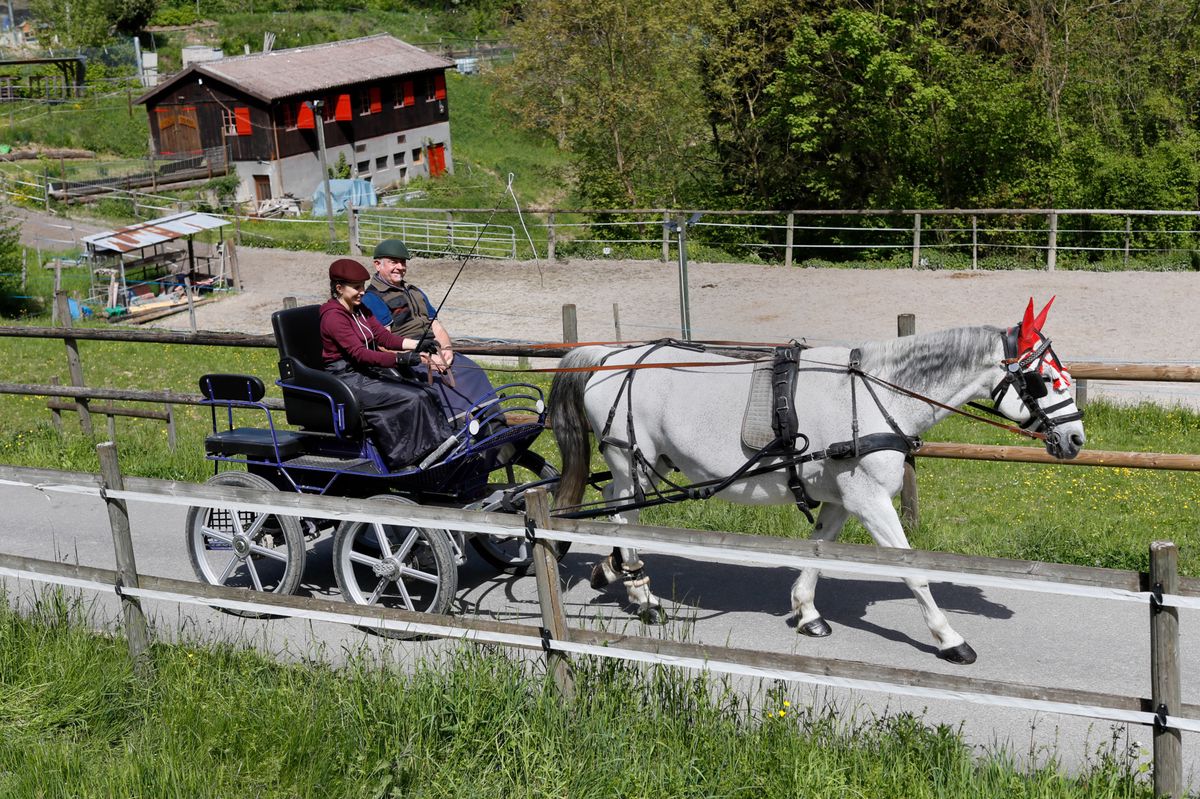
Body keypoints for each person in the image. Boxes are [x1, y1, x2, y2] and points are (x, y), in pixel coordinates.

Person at [319, 257, 453, 471]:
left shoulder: (361, 310)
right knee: (412, 398)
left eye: (362, 286)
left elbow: (385, 338)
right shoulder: (333, 318)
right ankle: (406, 460)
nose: (362, 291)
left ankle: (440, 448)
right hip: (345, 377)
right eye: (356, 287)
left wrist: (417, 345)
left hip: (364, 372)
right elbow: (360, 354)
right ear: (339, 288)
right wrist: (401, 358)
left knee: (426, 391)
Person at [360, 239, 498, 419]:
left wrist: (447, 350)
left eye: (403, 262)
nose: (400, 267)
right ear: (377, 264)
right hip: (410, 359)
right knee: (442, 386)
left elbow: (436, 326)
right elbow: (384, 344)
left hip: (435, 349)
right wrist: (424, 359)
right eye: (394, 262)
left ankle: (495, 426)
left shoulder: (414, 291)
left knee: (473, 371)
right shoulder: (373, 298)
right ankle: (454, 434)